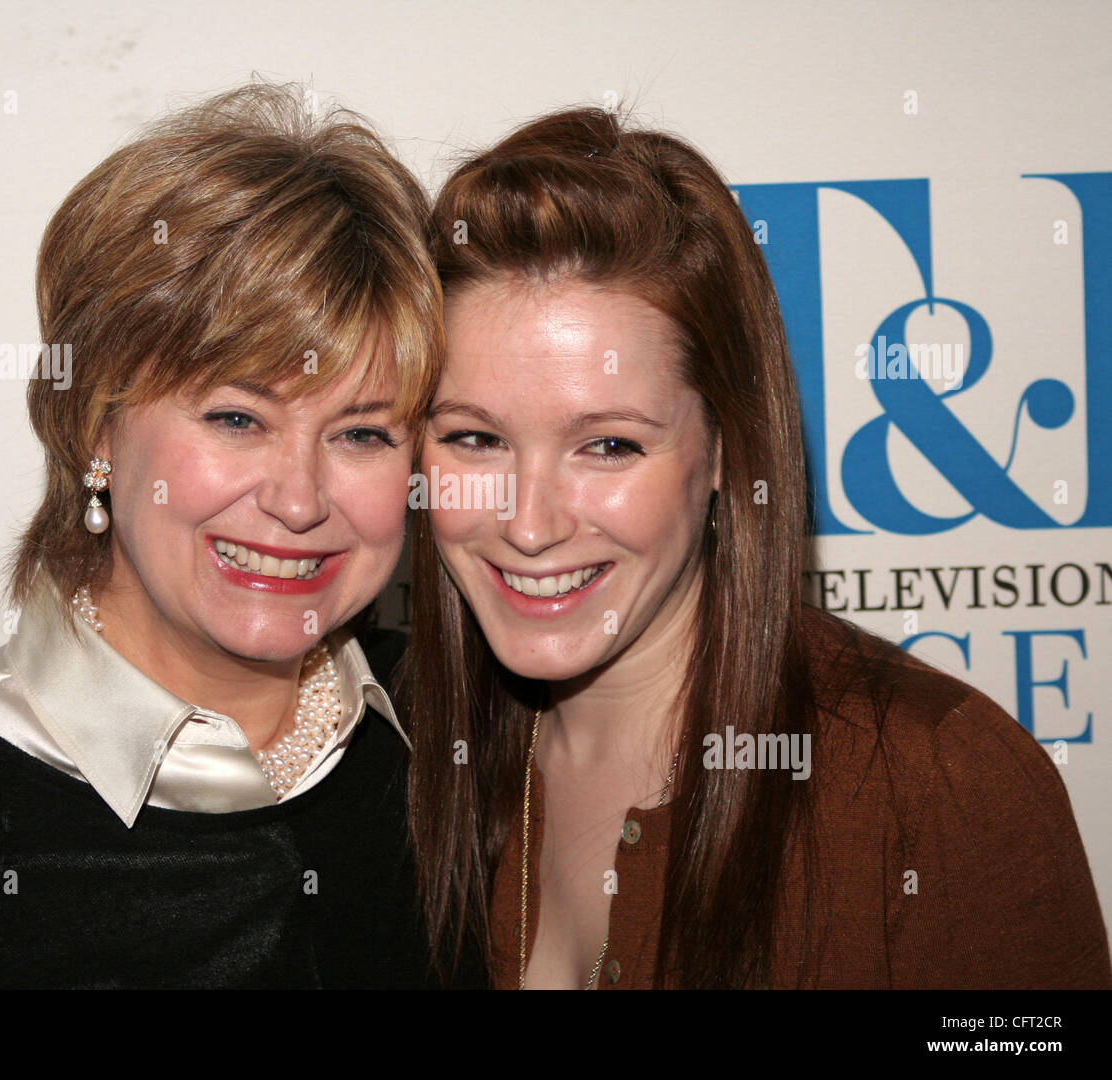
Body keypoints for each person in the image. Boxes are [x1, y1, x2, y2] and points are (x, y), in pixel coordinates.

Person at [403, 105, 1112, 989]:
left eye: (609, 445)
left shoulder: (937, 783)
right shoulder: (404, 757)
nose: (530, 524)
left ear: (724, 452)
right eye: (474, 438)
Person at [0, 83, 453, 989]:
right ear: (97, 429)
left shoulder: (461, 749)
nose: (300, 500)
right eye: (237, 419)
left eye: (361, 434)